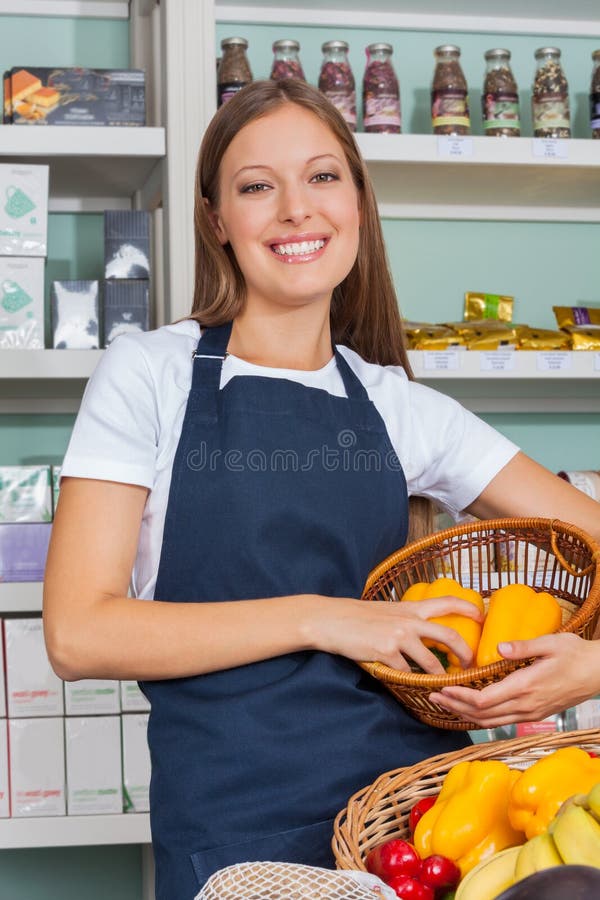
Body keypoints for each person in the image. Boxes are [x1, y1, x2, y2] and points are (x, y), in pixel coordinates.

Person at [44, 79, 600, 900]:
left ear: (359, 204)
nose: (296, 210)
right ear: (217, 222)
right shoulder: (151, 375)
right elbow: (79, 632)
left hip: (414, 831)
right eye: (257, 187)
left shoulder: (399, 407)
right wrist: (329, 619)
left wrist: (590, 669)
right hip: (238, 844)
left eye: (323, 177)